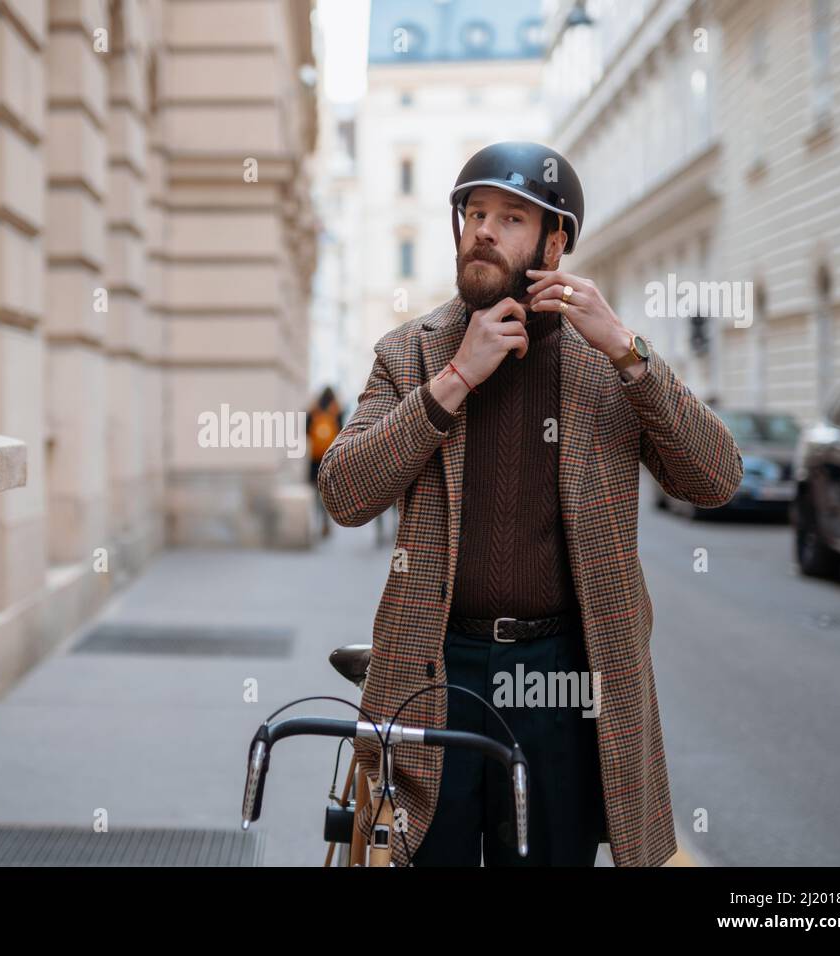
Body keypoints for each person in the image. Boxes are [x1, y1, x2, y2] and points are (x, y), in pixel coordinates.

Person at [316, 141, 743, 866]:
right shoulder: (410, 353)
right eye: (475, 213)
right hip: (437, 667)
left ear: (555, 242)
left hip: (562, 676)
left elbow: (716, 478)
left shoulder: (605, 365)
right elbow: (345, 494)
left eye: (511, 218)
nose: (484, 230)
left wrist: (630, 353)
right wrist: (455, 379)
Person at [306, 387, 345, 537]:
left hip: (315, 459)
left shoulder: (314, 410)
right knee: (328, 493)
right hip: (329, 458)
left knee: (316, 493)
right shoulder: (336, 410)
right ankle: (325, 521)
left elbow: (306, 431)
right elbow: (342, 432)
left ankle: (317, 521)